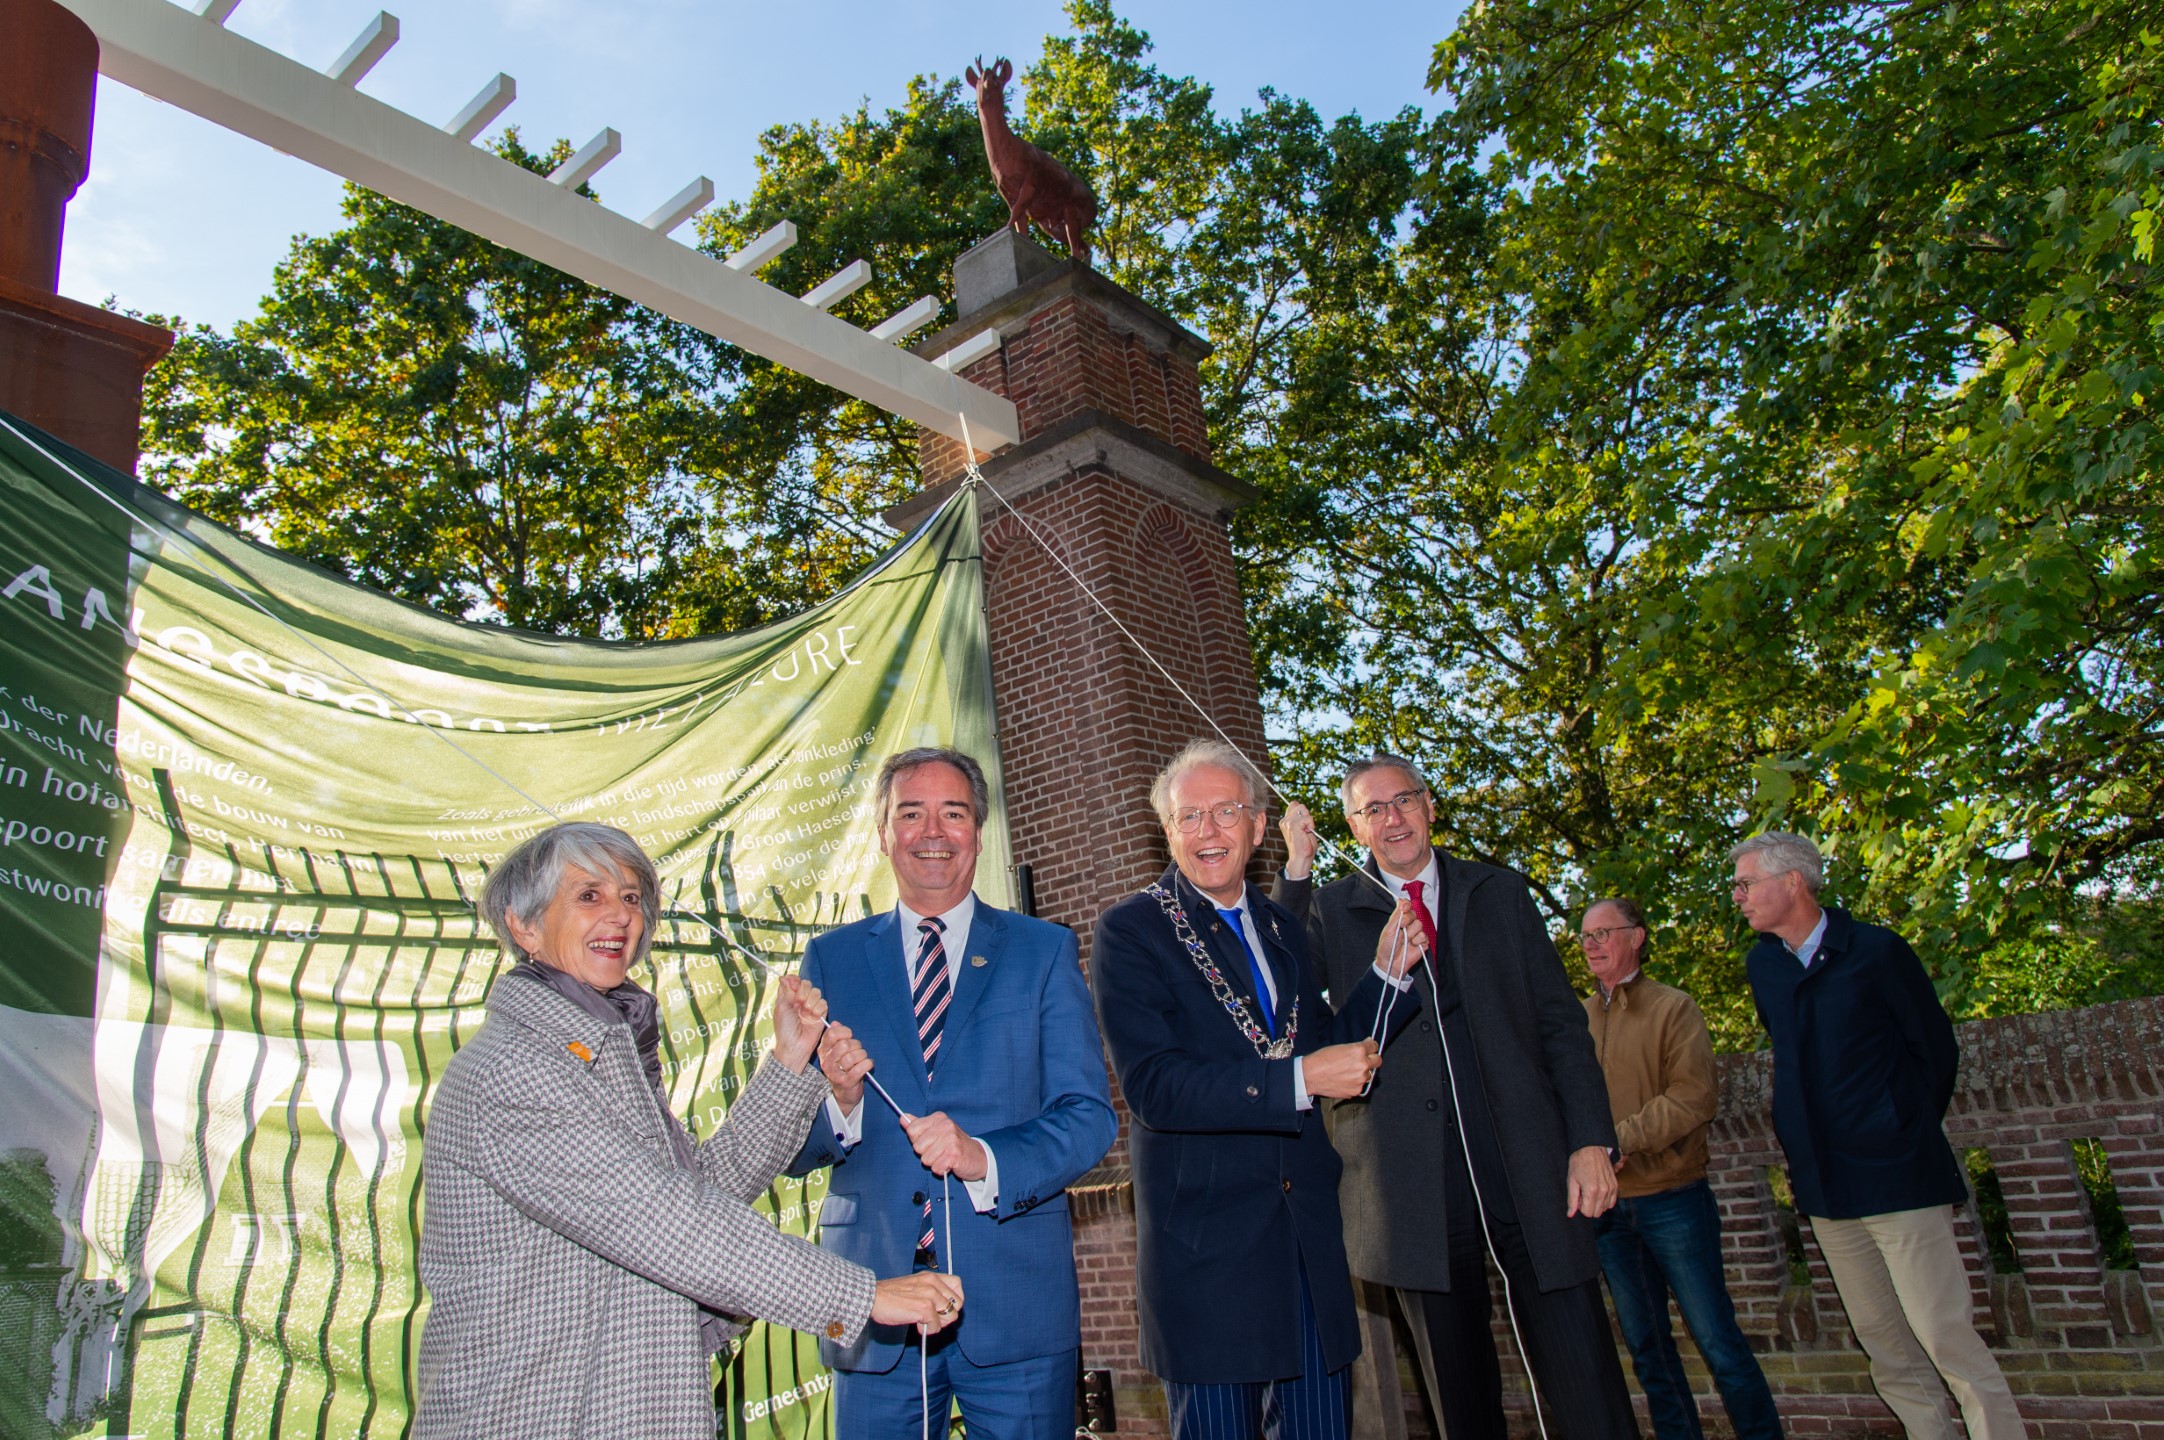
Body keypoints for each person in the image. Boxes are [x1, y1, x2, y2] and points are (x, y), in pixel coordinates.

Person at [415, 822, 962, 1440]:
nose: (620, 915)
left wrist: (790, 1059)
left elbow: (699, 1189)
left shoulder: (596, 1050)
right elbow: (662, 1218)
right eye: (589, 895)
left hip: (618, 1402)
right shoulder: (516, 1069)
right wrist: (862, 1296)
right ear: (524, 926)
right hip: (537, 1409)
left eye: (631, 897)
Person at [1275, 753, 1635, 1440]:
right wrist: (1295, 871)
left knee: (1587, 1380)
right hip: (1410, 1185)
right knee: (1460, 1399)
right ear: (1353, 828)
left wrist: (1591, 1138)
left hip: (1530, 1169)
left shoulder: (1498, 892)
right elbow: (1278, 993)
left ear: (1430, 807)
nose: (1392, 819)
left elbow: (1561, 1026)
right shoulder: (1333, 910)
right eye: (1372, 809)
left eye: (1404, 800)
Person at [1092, 738, 1425, 1440]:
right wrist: (1299, 1078)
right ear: (1168, 832)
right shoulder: (1133, 930)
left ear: (1258, 825)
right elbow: (1155, 1088)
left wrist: (1387, 975)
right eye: (1189, 817)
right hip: (1206, 1258)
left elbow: (1324, 1049)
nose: (1208, 831)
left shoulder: (1282, 926)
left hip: (1307, 1246)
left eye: (1225, 812)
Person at [788, 747, 1117, 1439]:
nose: (932, 832)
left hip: (1015, 1306)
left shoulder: (1043, 950)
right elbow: (790, 1146)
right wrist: (840, 1101)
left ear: (979, 832)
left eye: (954, 813)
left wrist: (982, 1158)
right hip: (873, 1301)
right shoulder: (830, 960)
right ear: (884, 834)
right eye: (911, 813)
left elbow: (1088, 1118)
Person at [1732, 832, 2024, 1440]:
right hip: (1825, 1186)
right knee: (1884, 1346)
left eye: (1747, 883)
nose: (1738, 896)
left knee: (1945, 1336)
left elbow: (1934, 1051)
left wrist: (1897, 1127)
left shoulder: (1877, 951)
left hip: (1899, 1176)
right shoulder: (1764, 965)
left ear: (1793, 882)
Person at [1578, 896, 1784, 1440]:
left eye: (1603, 933)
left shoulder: (1675, 1008)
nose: (1592, 945)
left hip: (1674, 1199)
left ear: (1637, 936)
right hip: (1609, 1211)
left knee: (1718, 1342)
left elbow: (1694, 1098)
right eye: (1585, 937)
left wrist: (1616, 1140)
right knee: (1647, 1349)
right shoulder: (1576, 1019)